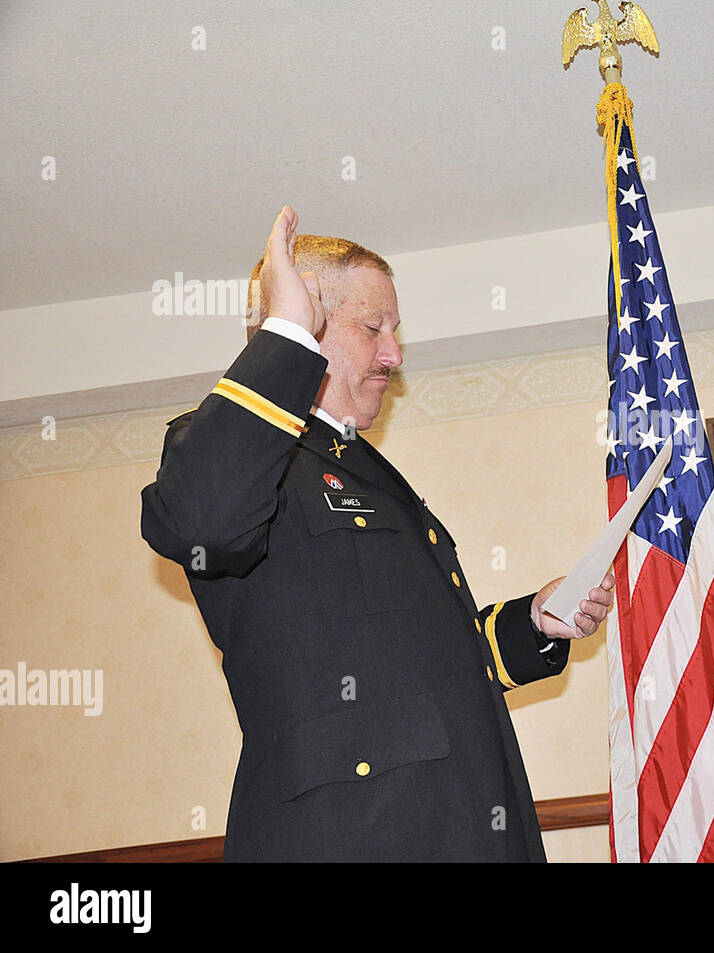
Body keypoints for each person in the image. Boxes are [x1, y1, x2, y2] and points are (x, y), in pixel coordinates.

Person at [141, 206, 614, 861]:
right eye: (373, 327)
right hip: (358, 833)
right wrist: (280, 335)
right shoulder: (229, 448)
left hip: (467, 822)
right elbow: (204, 522)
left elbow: (416, 664)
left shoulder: (363, 467)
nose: (394, 352)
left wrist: (532, 622)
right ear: (304, 322)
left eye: (395, 329)